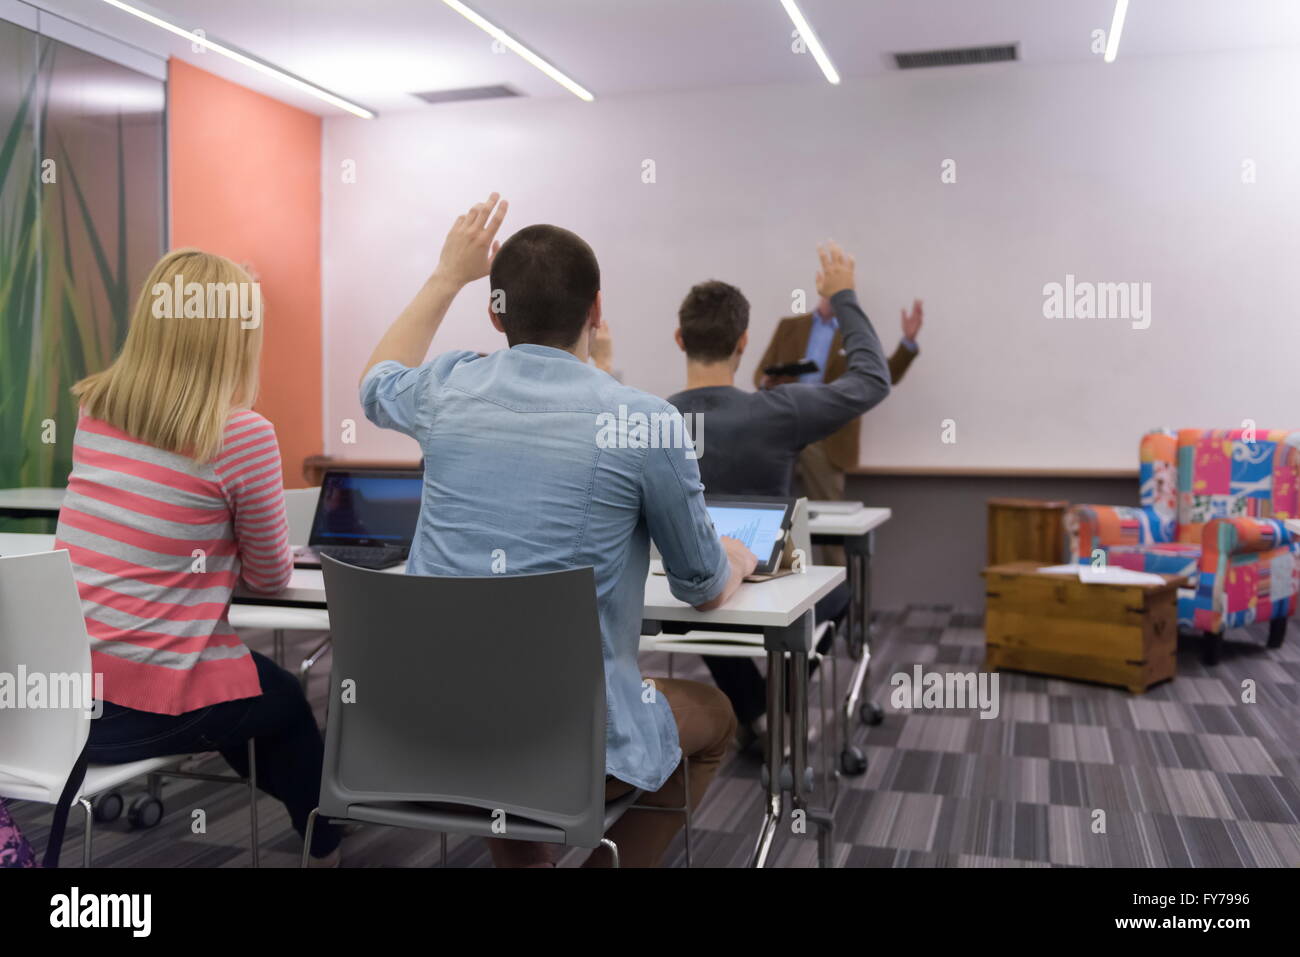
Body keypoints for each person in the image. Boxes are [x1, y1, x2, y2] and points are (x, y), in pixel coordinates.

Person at [359, 194, 754, 868]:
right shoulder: (645, 420)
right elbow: (701, 588)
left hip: (425, 738)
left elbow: (375, 383)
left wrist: (445, 275)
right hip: (565, 747)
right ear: (596, 311)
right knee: (715, 716)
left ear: (494, 312)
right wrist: (735, 560)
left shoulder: (446, 387)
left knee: (499, 697)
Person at [54, 249, 343, 866]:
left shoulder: (94, 410)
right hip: (141, 706)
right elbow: (269, 578)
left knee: (245, 682)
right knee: (284, 699)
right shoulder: (241, 434)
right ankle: (329, 842)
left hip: (58, 698)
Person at [666, 243, 890, 747]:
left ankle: (753, 711)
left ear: (680, 338)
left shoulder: (652, 419)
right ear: (744, 342)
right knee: (838, 595)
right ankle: (774, 707)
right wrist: (845, 297)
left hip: (681, 598)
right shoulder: (779, 410)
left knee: (701, 592)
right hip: (771, 598)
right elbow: (872, 380)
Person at [755, 290, 922, 502]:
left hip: (828, 434)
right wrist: (767, 381)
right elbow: (761, 373)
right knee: (771, 501)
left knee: (827, 510)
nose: (831, 297)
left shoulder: (854, 335)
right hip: (785, 424)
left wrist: (908, 341)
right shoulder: (790, 327)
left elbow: (882, 375)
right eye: (828, 292)